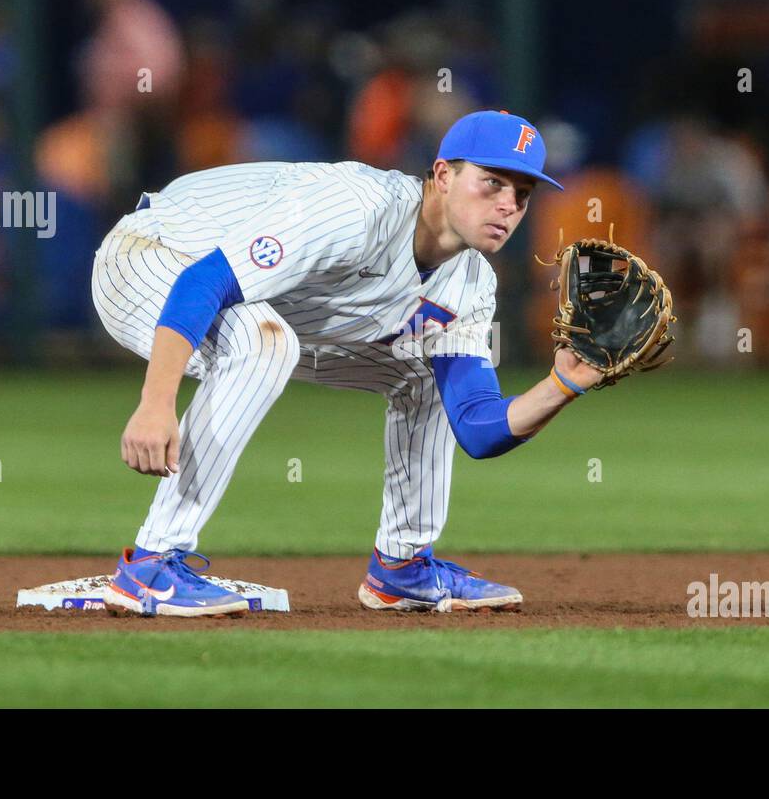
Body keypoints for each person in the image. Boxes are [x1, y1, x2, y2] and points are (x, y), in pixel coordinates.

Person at [90, 110, 603, 617]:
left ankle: (401, 569)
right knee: (265, 344)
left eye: (522, 194)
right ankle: (151, 564)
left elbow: (476, 426)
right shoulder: (356, 208)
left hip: (278, 308)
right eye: (491, 183)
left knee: (421, 370)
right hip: (155, 254)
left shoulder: (471, 285)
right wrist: (156, 401)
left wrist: (564, 383)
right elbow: (204, 283)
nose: (508, 205)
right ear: (444, 175)